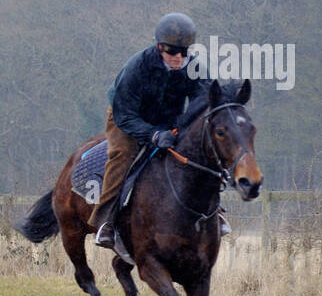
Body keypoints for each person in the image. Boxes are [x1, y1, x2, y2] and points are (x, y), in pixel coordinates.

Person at [89, 13, 228, 249]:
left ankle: (218, 211)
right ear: (159, 47)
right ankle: (106, 220)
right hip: (126, 117)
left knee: (200, 149)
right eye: (172, 52)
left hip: (167, 119)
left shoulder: (194, 68)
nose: (178, 57)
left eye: (184, 52)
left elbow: (202, 106)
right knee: (123, 154)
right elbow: (126, 115)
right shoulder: (136, 67)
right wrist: (153, 135)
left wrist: (182, 129)